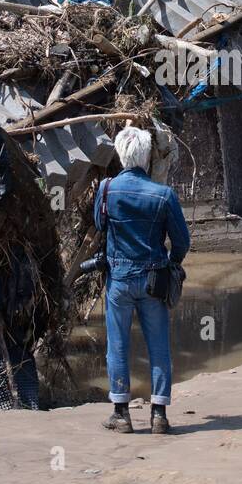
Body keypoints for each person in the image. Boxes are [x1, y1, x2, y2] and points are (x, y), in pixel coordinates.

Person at [94, 126, 190, 434]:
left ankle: (121, 415)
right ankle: (159, 415)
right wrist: (171, 265)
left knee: (118, 345)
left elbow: (99, 223)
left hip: (119, 281)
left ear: (121, 155)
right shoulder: (164, 195)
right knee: (158, 346)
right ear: (147, 157)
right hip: (154, 280)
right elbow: (182, 242)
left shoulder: (107, 189)